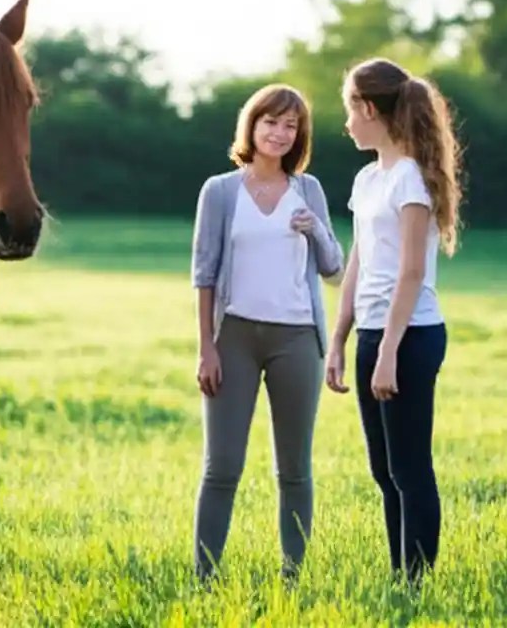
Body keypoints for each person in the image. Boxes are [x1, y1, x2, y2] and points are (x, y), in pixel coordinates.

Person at [189, 83, 344, 582]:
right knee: (222, 467)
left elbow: (334, 267)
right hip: (232, 338)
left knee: (294, 468)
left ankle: (292, 576)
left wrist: (315, 229)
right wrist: (206, 348)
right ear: (251, 126)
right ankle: (205, 576)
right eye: (270, 122)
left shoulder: (309, 189)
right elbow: (204, 273)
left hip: (297, 340)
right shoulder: (219, 191)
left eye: (291, 125)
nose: (280, 133)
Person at [324, 58, 464, 587]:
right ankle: (399, 578)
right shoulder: (368, 178)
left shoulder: (410, 177)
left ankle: (417, 585)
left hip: (411, 337)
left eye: (350, 111)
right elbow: (360, 260)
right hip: (374, 335)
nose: (346, 124)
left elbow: (410, 272)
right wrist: (341, 337)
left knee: (409, 470)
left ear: (369, 108)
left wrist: (387, 353)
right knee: (383, 472)